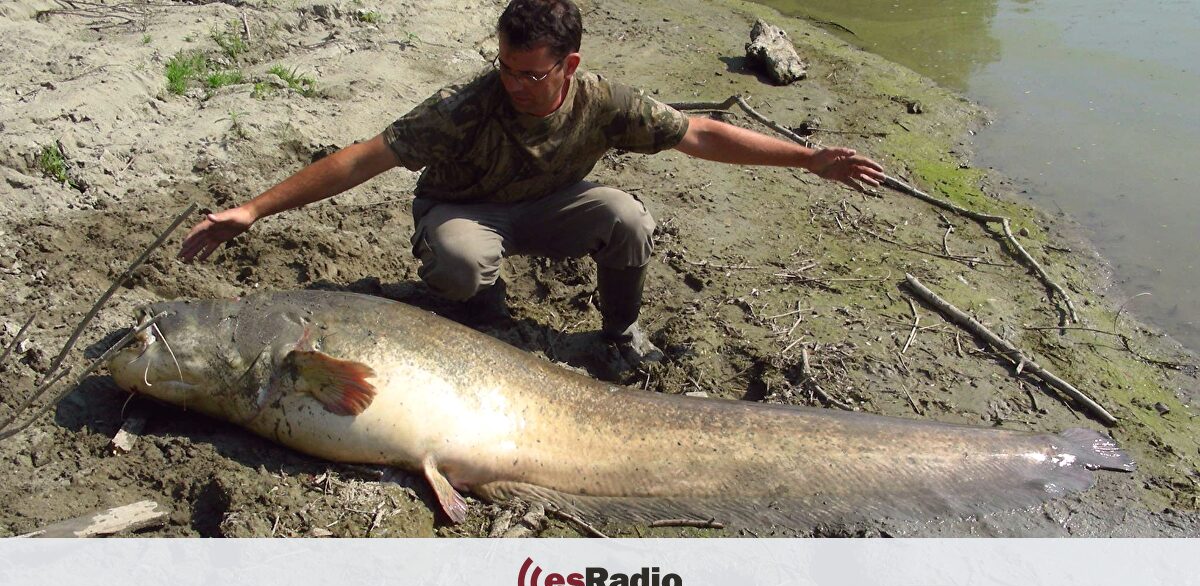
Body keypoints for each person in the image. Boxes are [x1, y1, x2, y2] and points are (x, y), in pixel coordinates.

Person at [178, 0, 884, 369]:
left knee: (628, 218)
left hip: (548, 207)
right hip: (463, 211)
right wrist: (253, 210)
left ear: (568, 64)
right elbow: (365, 158)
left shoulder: (605, 101)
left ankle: (620, 333)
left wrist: (806, 159)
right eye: (505, 68)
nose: (513, 84)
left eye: (530, 74)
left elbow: (699, 134)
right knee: (460, 262)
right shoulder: (463, 106)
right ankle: (483, 313)